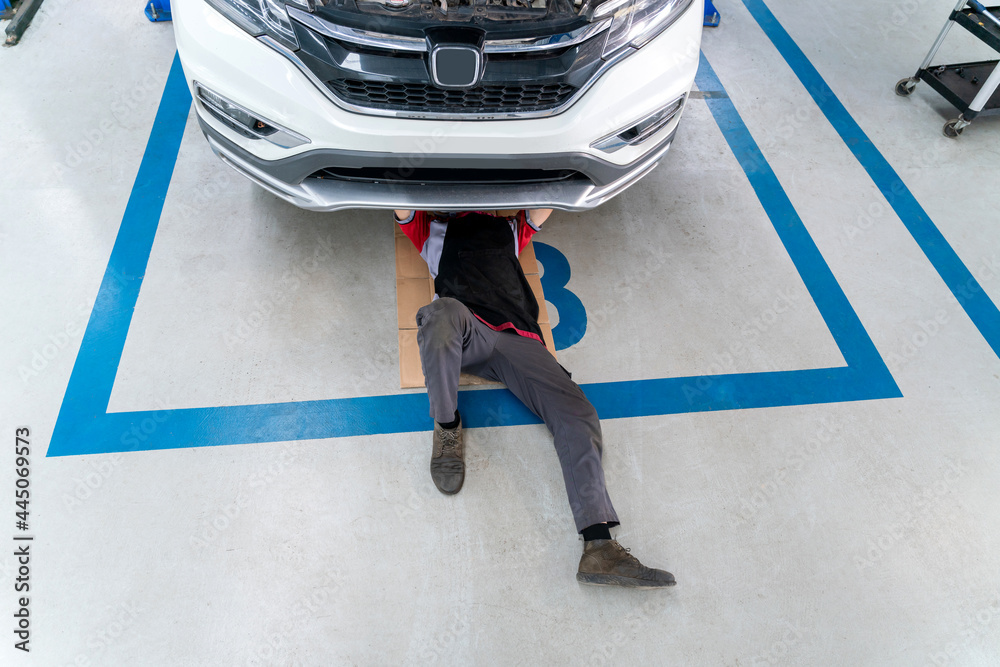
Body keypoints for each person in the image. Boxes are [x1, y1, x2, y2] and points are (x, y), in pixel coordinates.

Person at [395, 207, 676, 588]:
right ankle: (447, 426)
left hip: (519, 341)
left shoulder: (509, 230)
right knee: (441, 313)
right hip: (467, 331)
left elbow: (550, 199)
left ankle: (599, 546)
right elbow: (401, 203)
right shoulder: (432, 230)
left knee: (577, 413)